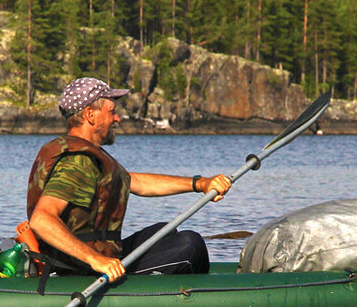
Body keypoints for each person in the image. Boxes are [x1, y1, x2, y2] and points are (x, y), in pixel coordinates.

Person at [26, 77, 232, 282]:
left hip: (91, 259)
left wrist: (199, 184)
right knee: (190, 245)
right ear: (90, 115)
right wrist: (95, 259)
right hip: (79, 270)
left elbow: (137, 182)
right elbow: (42, 220)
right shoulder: (78, 162)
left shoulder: (89, 154)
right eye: (111, 111)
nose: (117, 118)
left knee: (164, 231)